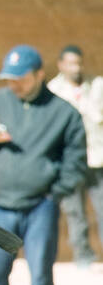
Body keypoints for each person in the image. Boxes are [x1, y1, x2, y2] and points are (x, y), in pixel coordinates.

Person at [0, 44, 87, 285]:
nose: (14, 83)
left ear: (40, 74)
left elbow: (76, 160)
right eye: (9, 78)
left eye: (21, 78)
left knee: (41, 275)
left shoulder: (65, 113)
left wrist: (56, 192)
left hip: (41, 205)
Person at [47, 44, 103, 268]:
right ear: (61, 65)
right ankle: (84, 258)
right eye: (70, 63)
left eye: (78, 62)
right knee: (75, 212)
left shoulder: (97, 85)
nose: (75, 67)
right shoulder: (53, 90)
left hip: (97, 157)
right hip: (69, 161)